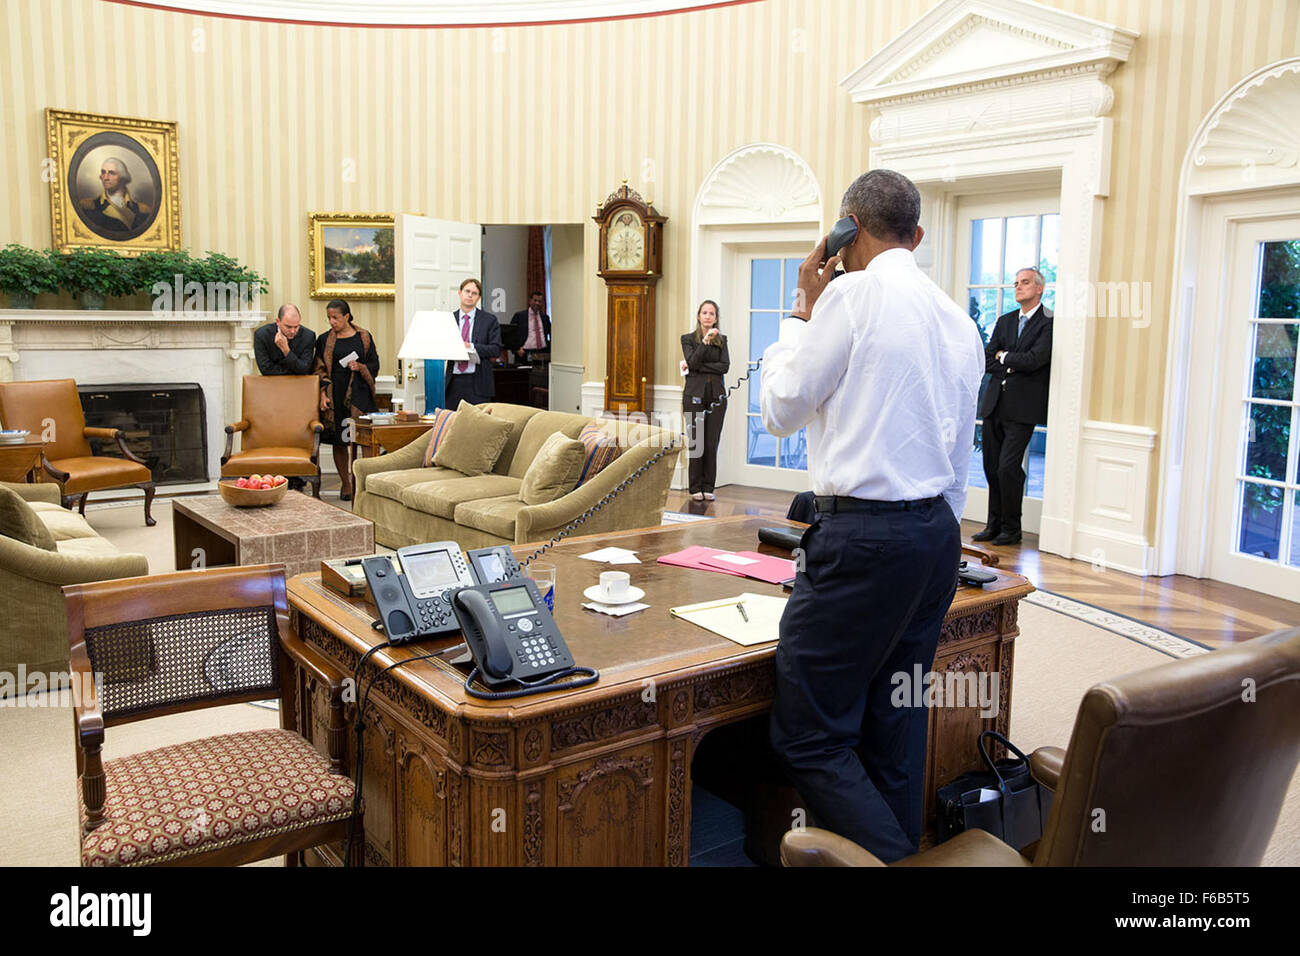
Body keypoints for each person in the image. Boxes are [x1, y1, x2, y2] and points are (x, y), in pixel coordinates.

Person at [760, 168, 984, 862]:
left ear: (846, 230)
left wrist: (800, 309)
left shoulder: (848, 296)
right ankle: (902, 847)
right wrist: (932, 538)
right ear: (915, 235)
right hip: (936, 538)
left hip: (864, 542)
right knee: (896, 718)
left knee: (809, 733)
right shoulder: (958, 317)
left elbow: (779, 411)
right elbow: (957, 452)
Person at [972, 268, 1053, 546]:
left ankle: (1012, 528)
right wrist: (1010, 362)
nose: (1018, 287)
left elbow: (1035, 360)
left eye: (1025, 282)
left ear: (1039, 288)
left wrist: (1004, 356)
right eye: (1016, 283)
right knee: (992, 466)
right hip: (995, 404)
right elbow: (986, 358)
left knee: (1008, 467)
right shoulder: (1005, 321)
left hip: (1023, 408)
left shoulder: (1049, 322)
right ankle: (993, 525)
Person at [313, 299, 379, 501]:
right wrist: (322, 394)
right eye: (329, 318)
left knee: (364, 440)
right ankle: (346, 483)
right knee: (340, 441)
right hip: (336, 395)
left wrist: (360, 367)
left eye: (335, 317)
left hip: (360, 395)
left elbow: (375, 363)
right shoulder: (324, 339)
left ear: (347, 316)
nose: (332, 322)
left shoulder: (364, 337)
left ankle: (364, 483)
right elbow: (318, 368)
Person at [680, 300, 729, 502]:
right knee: (697, 442)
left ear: (716, 318)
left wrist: (700, 367)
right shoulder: (688, 339)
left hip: (716, 396)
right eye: (704, 313)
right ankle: (695, 487)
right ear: (699, 316)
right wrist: (705, 342)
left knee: (711, 442)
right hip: (694, 395)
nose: (708, 316)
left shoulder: (723, 340)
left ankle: (709, 486)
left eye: (712, 313)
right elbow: (691, 362)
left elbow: (724, 367)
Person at [445, 278, 502, 407]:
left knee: (477, 424)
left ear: (479, 297)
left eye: (474, 293)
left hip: (478, 383)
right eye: (467, 291)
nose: (470, 295)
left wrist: (471, 346)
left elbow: (496, 349)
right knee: (452, 422)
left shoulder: (489, 320)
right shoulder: (449, 319)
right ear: (460, 293)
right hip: (453, 382)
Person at [77, 157, 152, 238]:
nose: (105, 178)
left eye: (111, 173)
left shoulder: (143, 210)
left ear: (123, 177)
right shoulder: (87, 207)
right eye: (103, 172)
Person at [253, 303, 316, 376]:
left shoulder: (308, 336)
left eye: (296, 327)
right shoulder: (262, 335)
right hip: (272, 383)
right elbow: (266, 369)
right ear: (278, 321)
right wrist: (293, 371)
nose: (292, 331)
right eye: (288, 327)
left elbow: (304, 369)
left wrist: (286, 350)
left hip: (298, 384)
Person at [510, 291, 552, 362]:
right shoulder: (519, 316)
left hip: (542, 353)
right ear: (530, 301)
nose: (537, 303)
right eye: (535, 300)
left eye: (539, 301)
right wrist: (516, 350)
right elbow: (511, 334)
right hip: (524, 353)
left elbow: (552, 334)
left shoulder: (545, 318)